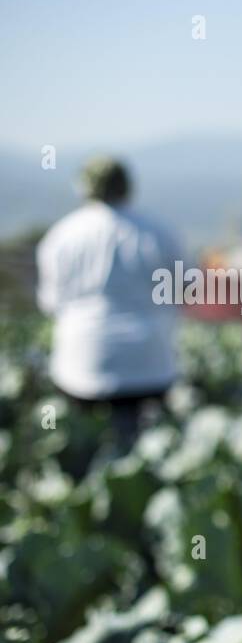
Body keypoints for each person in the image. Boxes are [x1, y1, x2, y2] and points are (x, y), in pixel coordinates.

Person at [36, 156, 181, 453]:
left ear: (84, 189)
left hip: (82, 364)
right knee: (146, 454)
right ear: (128, 187)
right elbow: (184, 291)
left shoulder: (61, 235)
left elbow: (50, 303)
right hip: (149, 364)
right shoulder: (160, 232)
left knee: (86, 452)